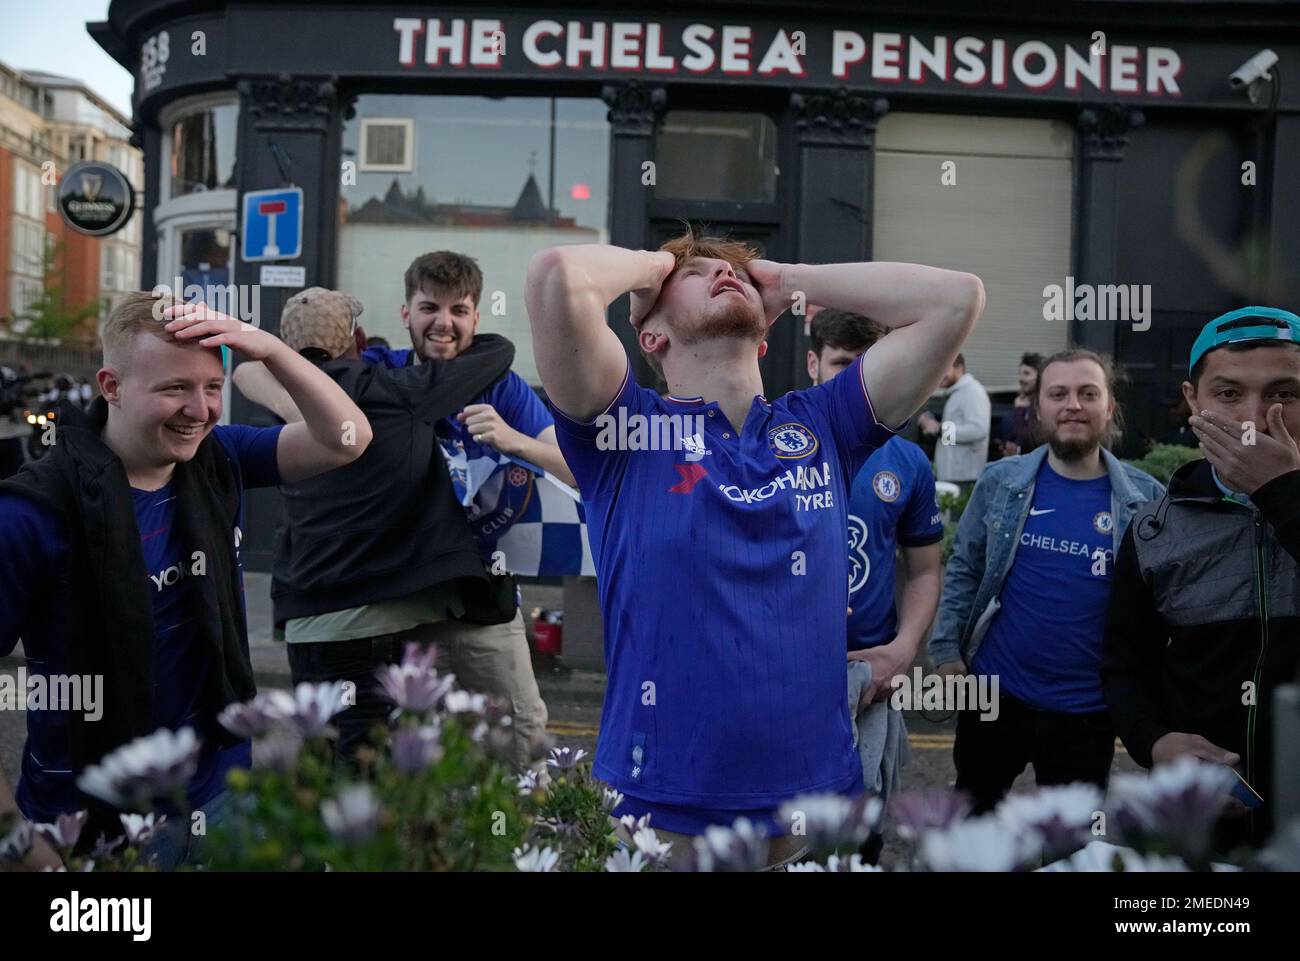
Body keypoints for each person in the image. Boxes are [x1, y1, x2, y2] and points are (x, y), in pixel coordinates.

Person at [525, 229, 984, 863]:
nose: (725, 276)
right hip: (665, 814)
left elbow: (957, 300)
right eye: (697, 276)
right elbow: (556, 275)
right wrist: (653, 268)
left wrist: (792, 279)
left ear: (766, 334)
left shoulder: (824, 423)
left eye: (736, 273)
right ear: (650, 334)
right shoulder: (625, 431)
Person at [0, 293, 371, 870]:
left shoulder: (216, 457)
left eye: (213, 387)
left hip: (225, 802)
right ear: (112, 386)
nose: (199, 409)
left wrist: (268, 348)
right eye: (175, 387)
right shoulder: (33, 512)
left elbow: (347, 439)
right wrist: (22, 849)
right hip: (86, 826)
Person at [239, 277, 551, 772]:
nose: (443, 322)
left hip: (305, 621)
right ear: (364, 341)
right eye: (429, 307)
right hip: (375, 621)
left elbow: (248, 370)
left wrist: (295, 398)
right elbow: (498, 350)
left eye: (459, 310)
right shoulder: (390, 387)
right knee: (368, 766)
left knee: (323, 761)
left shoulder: (296, 403)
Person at [930, 348, 1164, 813]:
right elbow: (964, 569)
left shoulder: (1148, 503)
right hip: (994, 698)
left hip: (1088, 714)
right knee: (970, 836)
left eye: (1088, 393)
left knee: (1071, 853)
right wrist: (945, 653)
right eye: (1058, 393)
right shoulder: (1000, 482)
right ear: (1038, 408)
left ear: (1109, 408)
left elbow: (1160, 608)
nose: (1072, 404)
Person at [1104, 306, 1300, 848]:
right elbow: (1124, 668)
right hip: (1204, 824)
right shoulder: (1154, 529)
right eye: (1229, 395)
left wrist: (1283, 493)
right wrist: (1156, 742)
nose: (1257, 420)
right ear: (1193, 401)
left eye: (1285, 393)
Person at [807, 308, 943, 864]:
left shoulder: (908, 461)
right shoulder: (769, 439)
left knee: (861, 833)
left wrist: (904, 649)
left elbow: (926, 569)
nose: (858, 378)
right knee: (778, 833)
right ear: (814, 364)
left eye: (870, 364)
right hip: (779, 678)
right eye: (843, 363)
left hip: (865, 683)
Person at [918, 353, 991, 489]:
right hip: (952, 475)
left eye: (943, 368)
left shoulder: (972, 392)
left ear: (959, 368)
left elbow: (979, 430)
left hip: (963, 478)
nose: (938, 375)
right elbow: (953, 437)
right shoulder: (958, 392)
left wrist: (939, 429)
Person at [998, 352, 1041, 456]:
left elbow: (1028, 440)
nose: (1021, 379)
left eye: (1026, 374)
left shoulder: (1041, 407)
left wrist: (1020, 410)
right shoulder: (1021, 402)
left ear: (1040, 377)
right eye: (1020, 374)